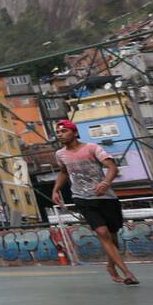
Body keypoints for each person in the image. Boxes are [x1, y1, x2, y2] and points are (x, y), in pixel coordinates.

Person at [52, 119, 138, 285]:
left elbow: (113, 167)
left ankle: (111, 267)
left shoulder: (92, 148)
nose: (60, 135)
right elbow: (63, 171)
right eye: (58, 133)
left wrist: (105, 183)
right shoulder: (60, 154)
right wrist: (55, 189)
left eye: (64, 131)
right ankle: (128, 273)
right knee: (102, 233)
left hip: (106, 198)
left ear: (75, 133)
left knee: (113, 238)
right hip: (82, 198)